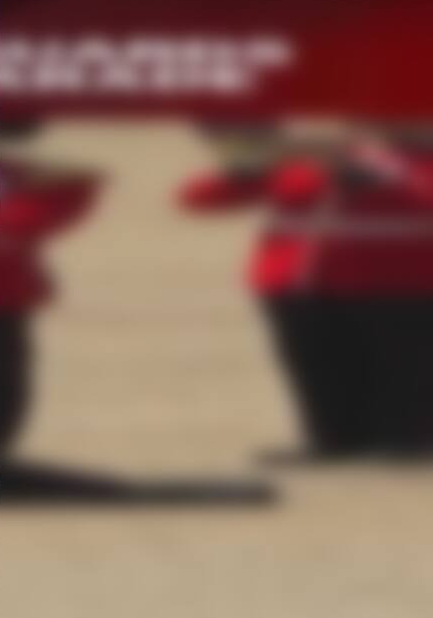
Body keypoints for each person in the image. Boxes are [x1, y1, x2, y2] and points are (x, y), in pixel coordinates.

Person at [180, 121, 433, 458]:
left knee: (403, 371)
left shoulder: (398, 162)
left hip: (399, 284)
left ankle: (405, 441)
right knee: (320, 371)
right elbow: (199, 199)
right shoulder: (317, 159)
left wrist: (371, 172)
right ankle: (333, 440)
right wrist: (248, 166)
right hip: (295, 285)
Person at [0, 122, 99, 463]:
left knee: (11, 367)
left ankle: (5, 445)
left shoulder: (31, 175)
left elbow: (80, 193)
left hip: (13, 284)